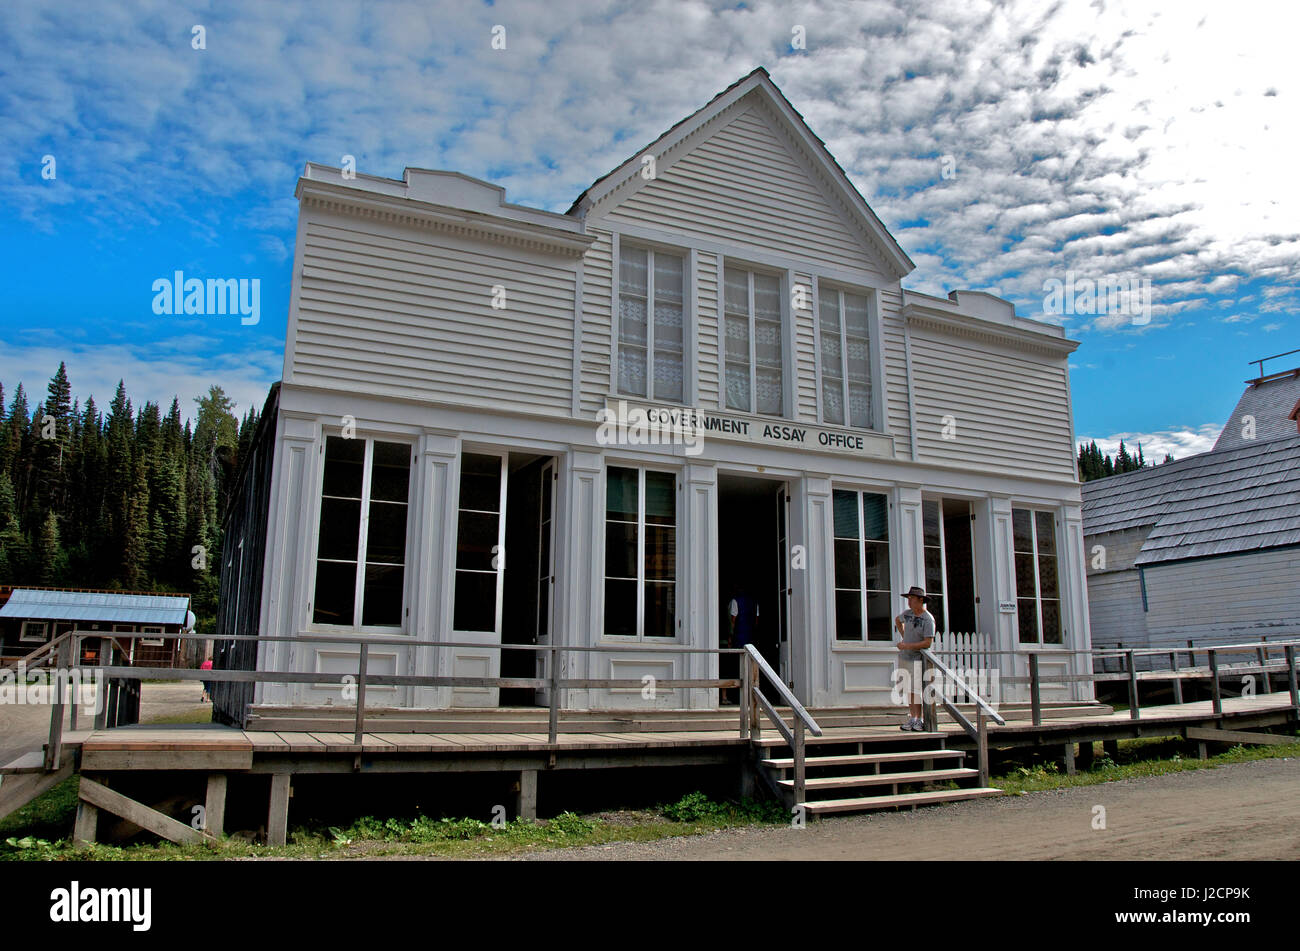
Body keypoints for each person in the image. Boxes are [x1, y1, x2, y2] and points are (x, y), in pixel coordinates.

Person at [894, 585, 935, 731]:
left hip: (918, 658)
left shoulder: (927, 619)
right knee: (908, 689)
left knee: (917, 689)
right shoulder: (908, 614)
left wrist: (908, 645)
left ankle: (919, 719)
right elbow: (898, 620)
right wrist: (904, 636)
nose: (909, 602)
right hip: (905, 657)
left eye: (912, 599)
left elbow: (928, 642)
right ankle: (913, 717)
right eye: (908, 599)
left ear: (920, 600)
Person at [724, 585, 760, 704]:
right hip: (751, 640)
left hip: (738, 639)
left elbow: (733, 621)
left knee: (733, 667)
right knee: (748, 668)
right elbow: (756, 621)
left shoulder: (735, 601)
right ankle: (749, 697)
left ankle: (733, 696)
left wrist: (730, 637)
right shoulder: (755, 603)